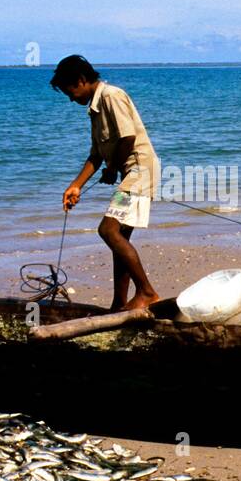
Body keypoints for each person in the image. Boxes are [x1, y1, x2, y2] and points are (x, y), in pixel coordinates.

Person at [53, 55, 161, 310]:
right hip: (130, 175)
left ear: (81, 80)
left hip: (139, 173)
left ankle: (146, 292)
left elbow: (127, 138)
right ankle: (118, 304)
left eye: (70, 91)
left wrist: (112, 168)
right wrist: (75, 185)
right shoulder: (95, 109)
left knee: (108, 230)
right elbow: (95, 156)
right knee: (119, 238)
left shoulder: (111, 96)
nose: (70, 98)